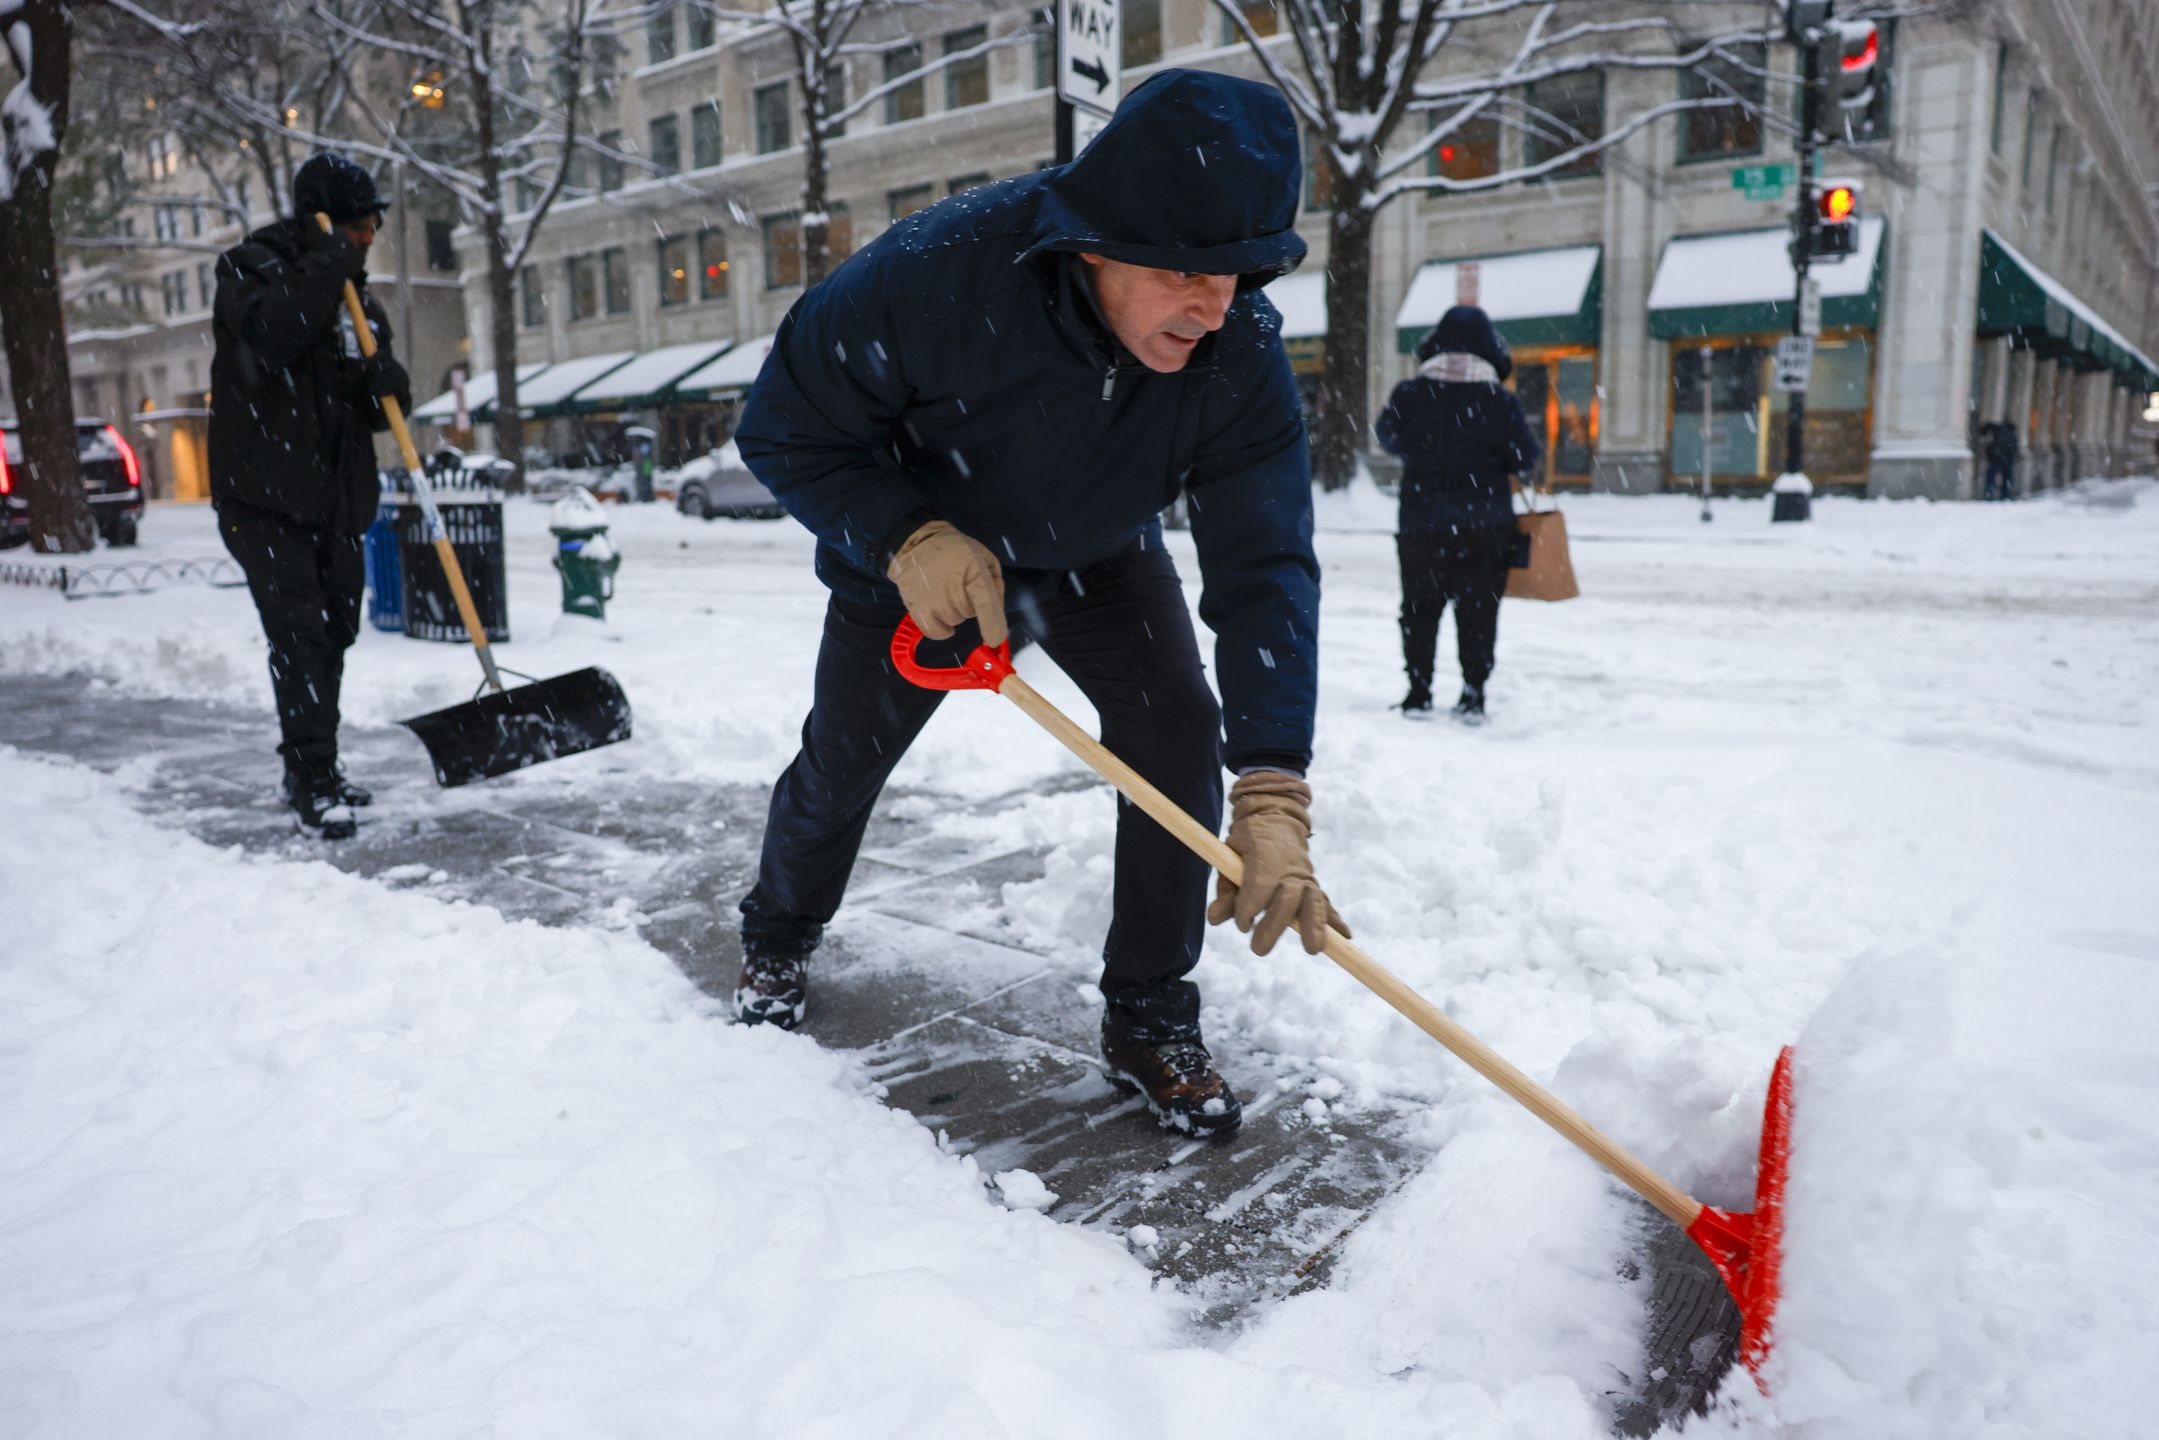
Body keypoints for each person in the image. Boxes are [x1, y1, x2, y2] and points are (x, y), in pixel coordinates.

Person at [729, 69, 1349, 1136]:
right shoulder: (932, 275)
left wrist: (1274, 785)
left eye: (1243, 272)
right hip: (922, 558)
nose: (1214, 306)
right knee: (842, 760)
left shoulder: (1237, 352)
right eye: (1189, 272)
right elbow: (781, 428)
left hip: (1097, 557)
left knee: (1174, 739)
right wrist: (899, 535)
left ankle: (1149, 1011)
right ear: (1098, 242)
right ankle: (777, 934)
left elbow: (1263, 568)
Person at [209, 152, 411, 839]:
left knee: (335, 636)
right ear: (325, 223)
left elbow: (382, 413)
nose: (369, 237)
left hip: (334, 503)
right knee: (300, 640)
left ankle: (319, 764)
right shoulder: (247, 271)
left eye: (375, 223)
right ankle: (310, 778)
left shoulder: (355, 297)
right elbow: (272, 339)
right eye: (360, 224)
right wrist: (328, 264)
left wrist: (384, 381)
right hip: (264, 498)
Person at [1376, 305, 1541, 725]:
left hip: (1421, 524)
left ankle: (1419, 690)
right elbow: (1526, 456)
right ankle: (1473, 693)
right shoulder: (1499, 400)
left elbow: (1387, 438)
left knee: (1419, 608)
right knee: (1479, 611)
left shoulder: (1411, 393)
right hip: (1485, 525)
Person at [1982, 419, 2019, 502]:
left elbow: (1987, 427)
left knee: (1991, 476)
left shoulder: (1999, 429)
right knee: (2007, 478)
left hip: (1997, 458)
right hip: (2007, 459)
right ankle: (2005, 495)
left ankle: (1989, 493)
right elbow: (2016, 449)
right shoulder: (2012, 434)